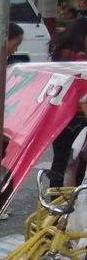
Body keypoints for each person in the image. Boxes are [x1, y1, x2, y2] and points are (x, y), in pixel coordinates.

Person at [49, 17, 87, 186]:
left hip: (59, 110)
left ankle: (54, 204)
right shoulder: (81, 56)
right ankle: (73, 201)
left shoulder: (60, 52)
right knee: (81, 160)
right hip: (79, 112)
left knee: (59, 160)